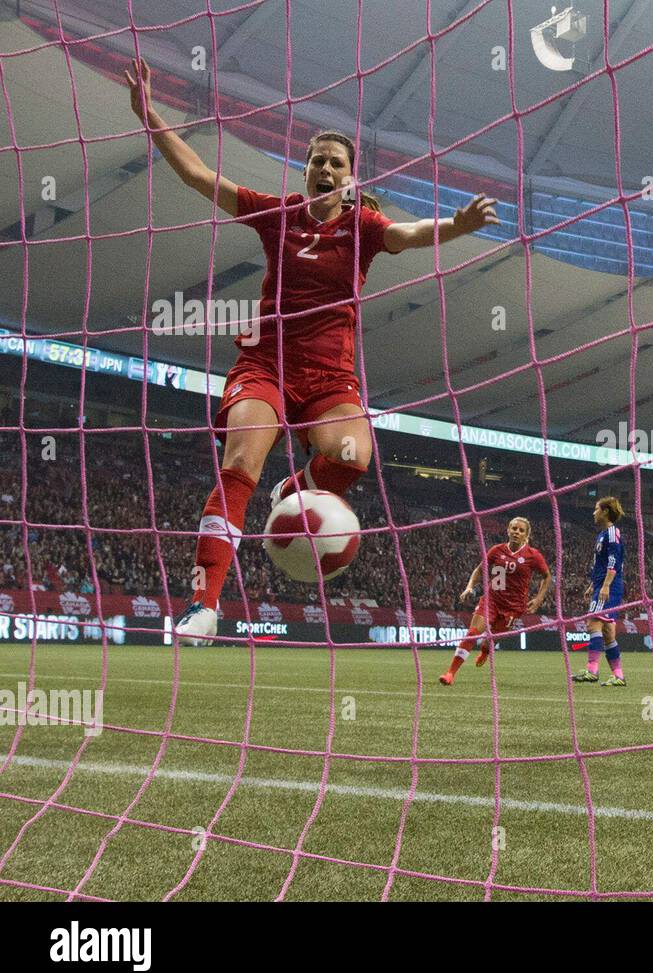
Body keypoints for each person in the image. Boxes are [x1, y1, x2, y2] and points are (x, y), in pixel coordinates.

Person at [124, 59, 500, 645]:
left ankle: (294, 488)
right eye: (317, 161)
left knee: (352, 457)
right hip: (265, 366)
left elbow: (410, 235)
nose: (325, 168)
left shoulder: (365, 227)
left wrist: (456, 224)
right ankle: (203, 604)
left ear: (350, 178)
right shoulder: (277, 216)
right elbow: (201, 177)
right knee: (241, 460)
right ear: (307, 171)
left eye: (336, 162)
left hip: (330, 380)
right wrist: (150, 116)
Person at [439, 518, 550, 686]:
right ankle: (450, 673)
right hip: (491, 600)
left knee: (490, 641)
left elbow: (547, 576)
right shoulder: (496, 550)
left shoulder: (533, 555)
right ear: (508, 530)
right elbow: (479, 569)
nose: (516, 532)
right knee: (472, 633)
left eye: (521, 530)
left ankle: (485, 650)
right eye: (514, 528)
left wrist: (539, 598)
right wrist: (470, 587)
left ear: (526, 535)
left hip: (513, 608)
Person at [573, 497, 627, 687]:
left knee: (592, 624)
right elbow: (601, 564)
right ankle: (618, 675)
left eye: (596, 509)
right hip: (602, 584)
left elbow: (614, 562)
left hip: (609, 586)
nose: (593, 512)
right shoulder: (603, 534)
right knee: (607, 631)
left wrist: (605, 586)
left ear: (605, 511)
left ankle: (592, 670)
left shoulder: (612, 533)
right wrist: (593, 585)